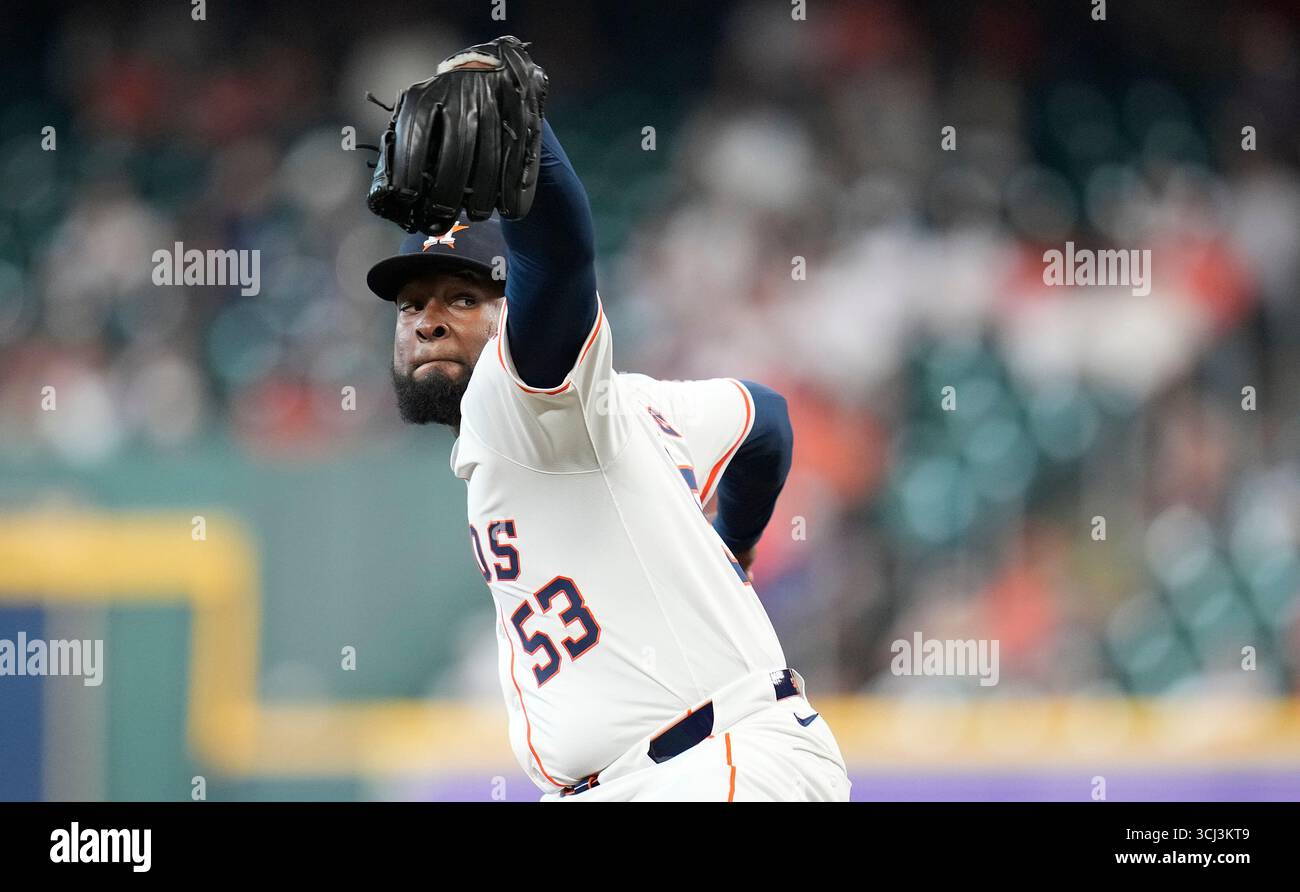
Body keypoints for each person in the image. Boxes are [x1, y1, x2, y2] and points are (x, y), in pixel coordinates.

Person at [365, 37, 850, 802]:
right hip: (687, 767)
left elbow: (557, 263)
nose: (427, 320)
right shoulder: (633, 409)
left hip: (703, 768)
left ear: (511, 320)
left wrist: (525, 129)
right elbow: (768, 423)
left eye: (462, 298)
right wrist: (736, 551)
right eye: (411, 303)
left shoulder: (516, 396)